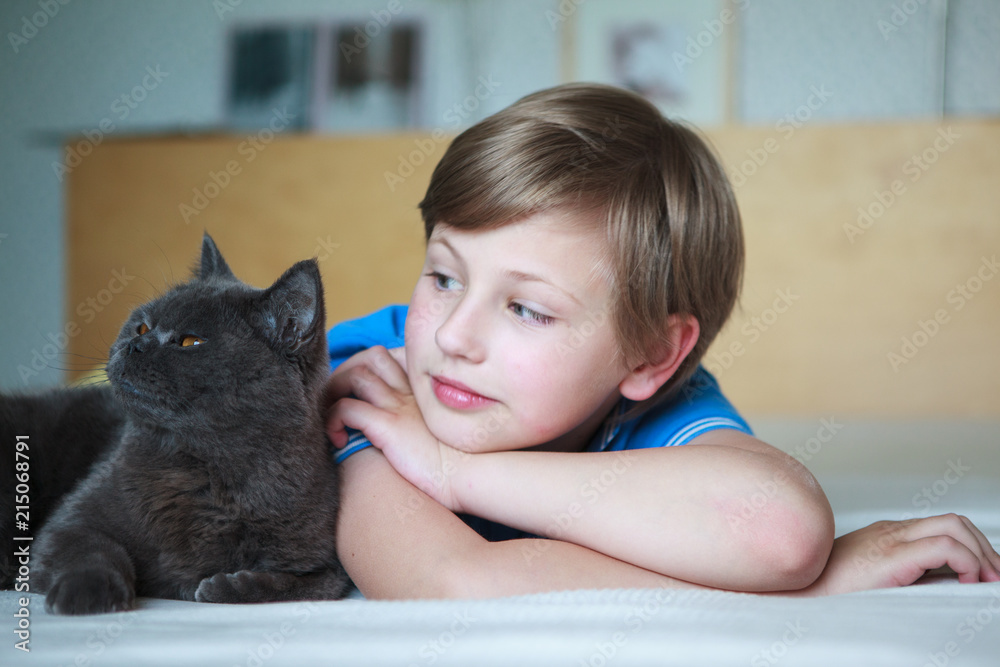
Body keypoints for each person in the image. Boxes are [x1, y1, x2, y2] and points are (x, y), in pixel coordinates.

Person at [324, 83, 1000, 599]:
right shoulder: (376, 384)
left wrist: (454, 472)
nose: (452, 333)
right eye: (443, 276)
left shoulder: (651, 406)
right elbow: (453, 580)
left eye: (527, 309)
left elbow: (781, 529)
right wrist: (812, 591)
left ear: (652, 355)